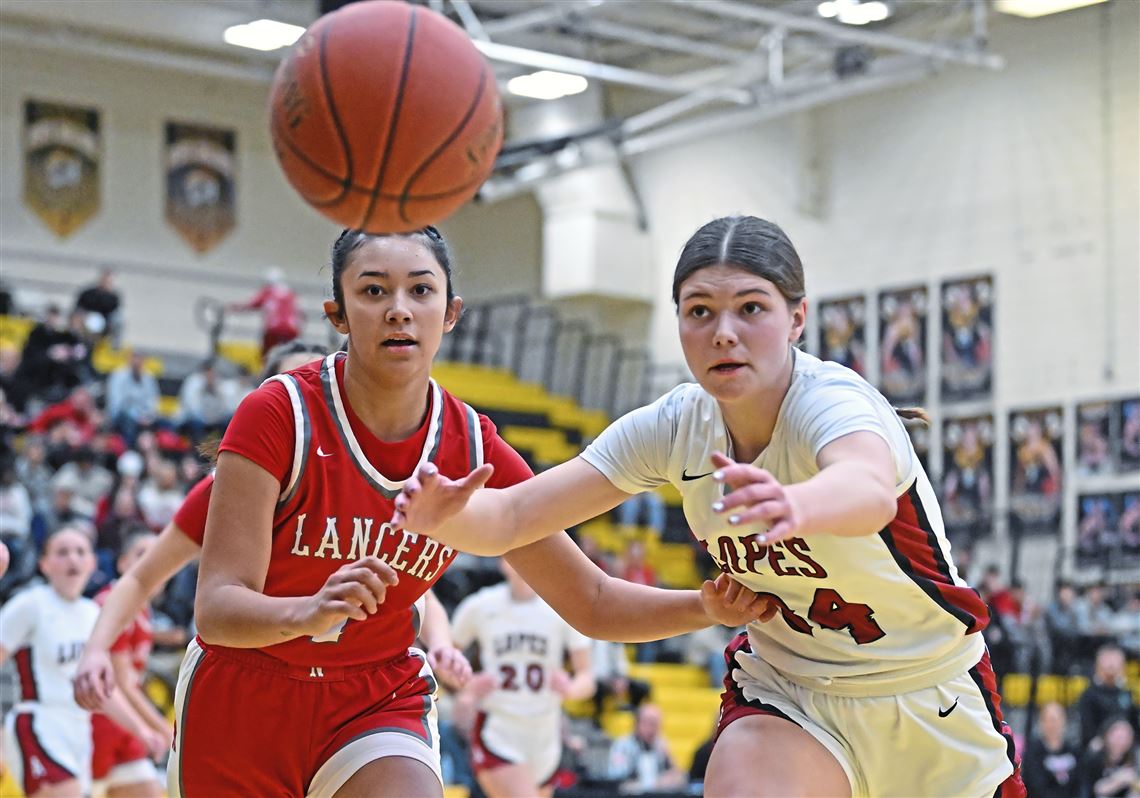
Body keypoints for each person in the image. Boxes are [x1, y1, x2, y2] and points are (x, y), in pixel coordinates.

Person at [392, 215, 1025, 798]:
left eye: (751, 308)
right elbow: (510, 519)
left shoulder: (832, 402)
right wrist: (439, 519)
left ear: (797, 318)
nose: (724, 332)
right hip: (790, 692)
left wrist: (795, 503)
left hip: (927, 690)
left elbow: (864, 490)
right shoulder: (674, 426)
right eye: (700, 311)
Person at [174, 228, 765, 798]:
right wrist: (306, 611)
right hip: (244, 693)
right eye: (374, 291)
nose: (399, 310)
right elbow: (218, 608)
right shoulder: (278, 413)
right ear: (338, 315)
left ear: (451, 313)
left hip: (373, 698)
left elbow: (591, 601)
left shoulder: (473, 448)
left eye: (421, 290)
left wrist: (703, 606)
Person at [0, 527, 162, 798]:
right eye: (62, 553)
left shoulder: (93, 614)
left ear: (92, 563)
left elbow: (103, 691)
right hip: (38, 723)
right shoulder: (29, 604)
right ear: (44, 564)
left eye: (80, 552)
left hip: (79, 728)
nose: (72, 559)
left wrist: (141, 730)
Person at [450, 558, 594, 798]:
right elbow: (445, 657)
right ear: (502, 562)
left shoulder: (561, 608)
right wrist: (468, 683)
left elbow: (587, 678)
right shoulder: (481, 605)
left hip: (545, 735)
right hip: (499, 731)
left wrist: (570, 688)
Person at [90, 531, 166, 798]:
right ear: (122, 563)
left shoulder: (143, 610)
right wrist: (162, 728)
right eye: (141, 555)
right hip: (97, 720)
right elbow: (121, 682)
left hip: (123, 721)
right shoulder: (112, 603)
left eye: (160, 556)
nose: (153, 563)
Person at [606, 703, 685, 794]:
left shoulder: (660, 744)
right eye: (649, 723)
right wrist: (654, 785)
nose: (652, 729)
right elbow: (618, 780)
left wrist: (672, 766)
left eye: (656, 724)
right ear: (637, 723)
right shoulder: (623, 746)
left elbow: (680, 777)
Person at [227, 268, 302, 356]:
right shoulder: (290, 293)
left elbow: (251, 304)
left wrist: (233, 307)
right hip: (291, 329)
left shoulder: (267, 291)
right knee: (289, 355)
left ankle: (268, 366)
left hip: (273, 329)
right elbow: (300, 313)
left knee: (266, 354)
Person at [1077, 645, 1138, 751]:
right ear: (1097, 664)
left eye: (1116, 660)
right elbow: (1087, 733)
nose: (1112, 664)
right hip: (1099, 749)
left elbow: (1134, 725)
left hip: (1127, 750)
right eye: (1108, 660)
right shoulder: (1088, 695)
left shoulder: (1126, 693)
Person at [1022, 702, 1080, 798]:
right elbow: (1035, 787)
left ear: (1064, 721)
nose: (1053, 725)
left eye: (1056, 720)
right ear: (1041, 723)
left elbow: (1081, 784)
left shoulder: (1075, 752)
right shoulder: (1032, 753)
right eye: (1049, 720)